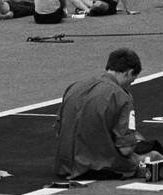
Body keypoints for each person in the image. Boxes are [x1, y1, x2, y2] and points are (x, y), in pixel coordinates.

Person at [55, 49, 145, 180]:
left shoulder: (73, 87)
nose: (130, 85)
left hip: (65, 164)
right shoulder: (122, 96)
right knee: (153, 156)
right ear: (129, 72)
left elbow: (59, 130)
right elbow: (125, 149)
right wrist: (134, 139)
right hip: (96, 166)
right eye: (132, 80)